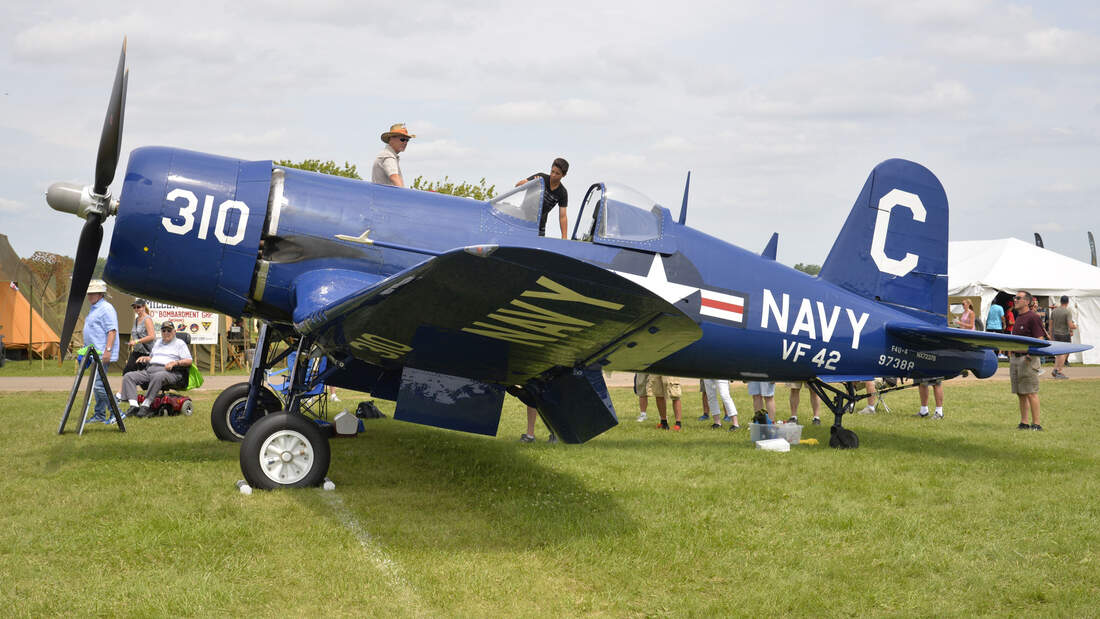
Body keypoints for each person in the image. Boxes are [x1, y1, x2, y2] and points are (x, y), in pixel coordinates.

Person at [120, 323, 193, 418]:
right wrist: (146, 358)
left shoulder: (180, 343)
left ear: (174, 332)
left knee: (158, 376)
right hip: (150, 370)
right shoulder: (158, 342)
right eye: (164, 330)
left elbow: (189, 361)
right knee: (129, 376)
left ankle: (146, 405)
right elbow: (152, 357)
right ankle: (134, 406)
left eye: (169, 330)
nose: (166, 332)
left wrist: (175, 363)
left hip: (170, 372)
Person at [82, 280, 119, 424]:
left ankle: (117, 412)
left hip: (102, 352)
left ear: (101, 294)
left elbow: (112, 330)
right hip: (94, 352)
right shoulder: (95, 308)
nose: (90, 296)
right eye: (89, 293)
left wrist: (108, 350)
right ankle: (99, 414)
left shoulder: (106, 308)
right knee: (97, 385)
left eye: (93, 293)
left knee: (98, 385)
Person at [1010, 291, 1045, 430]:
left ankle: (1036, 424)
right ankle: (1024, 422)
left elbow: (1040, 339)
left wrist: (1031, 354)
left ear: (1026, 301)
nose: (1015, 300)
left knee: (1031, 392)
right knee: (1020, 392)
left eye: (1018, 298)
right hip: (1015, 358)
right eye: (1015, 298)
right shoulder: (1019, 317)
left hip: (1027, 359)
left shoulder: (1033, 317)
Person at [514, 158, 569, 238]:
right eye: (552, 171)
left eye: (557, 173)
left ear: (563, 175)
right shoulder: (541, 177)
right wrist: (532, 183)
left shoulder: (562, 192)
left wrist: (564, 236)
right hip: (522, 220)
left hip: (539, 227)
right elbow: (517, 186)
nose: (553, 175)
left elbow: (563, 216)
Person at [124, 298, 156, 373]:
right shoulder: (136, 319)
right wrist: (132, 342)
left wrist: (137, 341)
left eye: (138, 307)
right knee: (127, 371)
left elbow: (152, 336)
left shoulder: (147, 319)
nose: (136, 309)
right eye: (134, 307)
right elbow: (135, 334)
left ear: (144, 307)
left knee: (144, 376)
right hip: (137, 351)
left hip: (146, 352)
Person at [1049, 295, 1077, 379]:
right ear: (1067, 302)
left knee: (1058, 353)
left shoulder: (1054, 311)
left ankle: (1055, 369)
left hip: (1055, 334)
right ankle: (1059, 371)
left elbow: (1050, 325)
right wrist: (1075, 326)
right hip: (1064, 334)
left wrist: (1051, 335)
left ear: (1060, 301)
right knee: (1064, 353)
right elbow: (1070, 325)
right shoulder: (1067, 312)